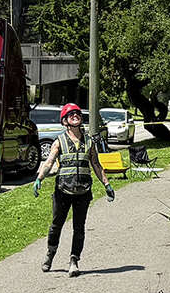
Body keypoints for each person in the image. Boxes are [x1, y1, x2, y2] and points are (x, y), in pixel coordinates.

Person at [32, 103, 114, 277]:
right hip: (63, 190)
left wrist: (106, 184)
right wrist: (39, 178)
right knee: (56, 225)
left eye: (77, 114)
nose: (75, 116)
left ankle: (74, 260)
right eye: (71, 115)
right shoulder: (59, 141)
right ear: (65, 121)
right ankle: (50, 253)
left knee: (79, 227)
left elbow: (97, 165)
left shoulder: (90, 142)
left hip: (83, 191)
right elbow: (49, 162)